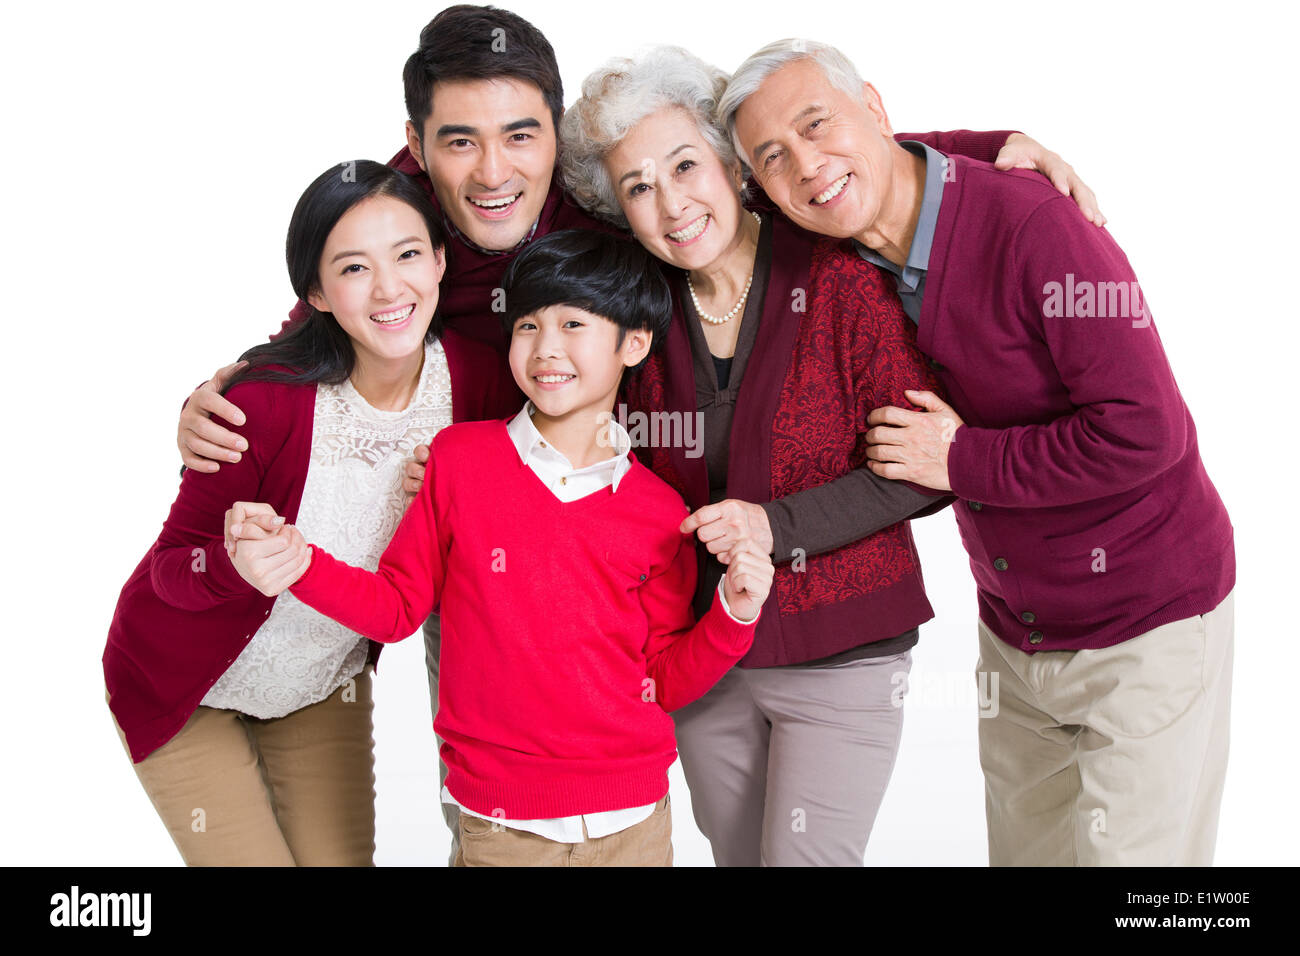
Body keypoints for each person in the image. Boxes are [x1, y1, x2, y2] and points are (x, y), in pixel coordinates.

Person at [169, 4, 1103, 862]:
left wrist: (976, 150)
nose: (494, 171)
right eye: (462, 143)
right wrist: (257, 377)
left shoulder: (673, 243)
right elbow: (345, 279)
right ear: (422, 148)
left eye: (521, 136)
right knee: (510, 813)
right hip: (496, 534)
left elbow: (803, 151)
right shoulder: (443, 213)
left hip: (770, 632)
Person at [721, 38, 1235, 866]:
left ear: (876, 110)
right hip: (1018, 634)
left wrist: (959, 461)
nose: (807, 167)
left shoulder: (1037, 227)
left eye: (818, 124)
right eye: (772, 158)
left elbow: (1148, 431)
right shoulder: (834, 226)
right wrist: (992, 140)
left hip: (1149, 624)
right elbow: (832, 178)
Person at [226, 229, 777, 867]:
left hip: (635, 826)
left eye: (574, 324)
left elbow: (662, 679)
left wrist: (733, 615)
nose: (546, 349)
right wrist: (301, 565)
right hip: (502, 827)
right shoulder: (459, 461)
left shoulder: (659, 511)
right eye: (527, 326)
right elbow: (398, 607)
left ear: (635, 342)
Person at [558, 45, 952, 866]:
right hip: (702, 658)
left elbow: (918, 465)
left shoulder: (838, 271)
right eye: (638, 187)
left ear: (734, 165)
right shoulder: (632, 310)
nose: (671, 205)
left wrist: (771, 526)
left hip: (843, 652)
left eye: (685, 165)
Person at [102, 160, 512, 865]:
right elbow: (173, 566)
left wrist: (454, 508)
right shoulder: (266, 402)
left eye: (409, 254)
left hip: (325, 683)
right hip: (184, 684)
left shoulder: (480, 382)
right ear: (317, 293)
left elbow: (514, 525)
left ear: (441, 262)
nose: (390, 289)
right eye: (354, 269)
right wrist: (233, 567)